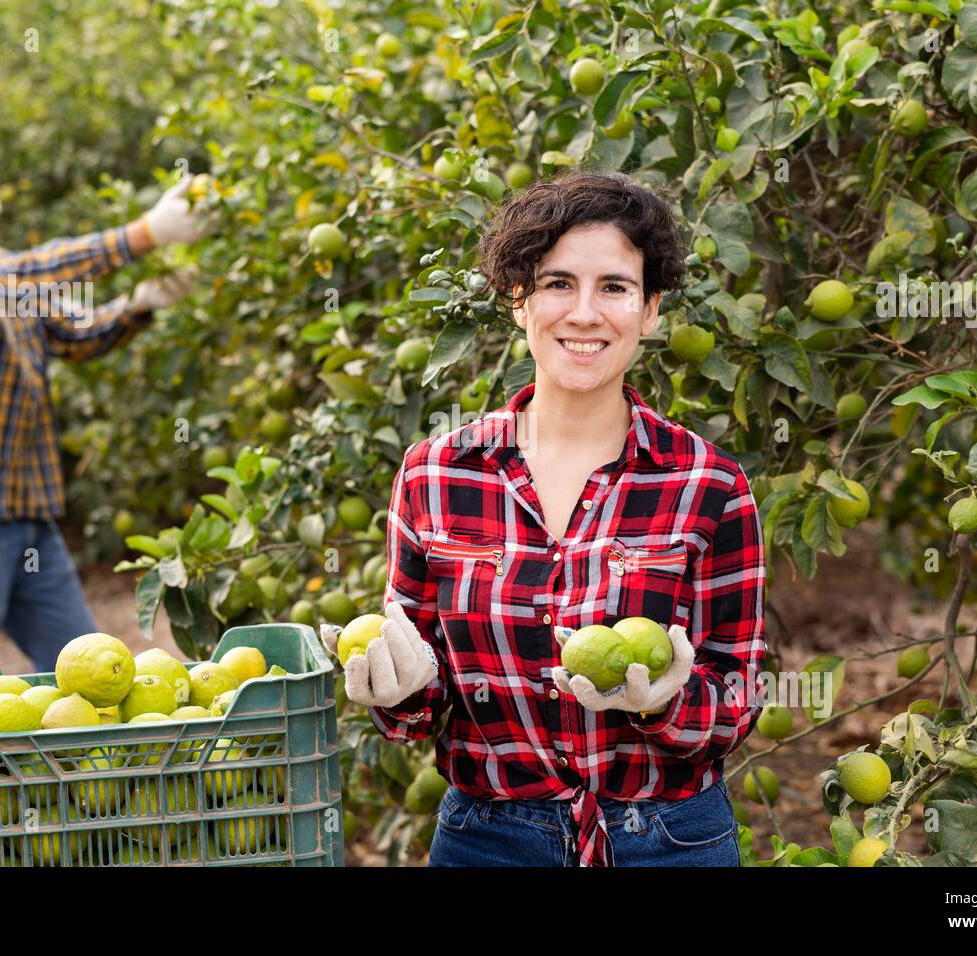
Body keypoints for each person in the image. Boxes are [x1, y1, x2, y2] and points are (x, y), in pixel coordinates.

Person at [322, 170, 766, 866]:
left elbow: (737, 695)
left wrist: (663, 704)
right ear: (518, 303)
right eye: (558, 283)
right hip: (488, 839)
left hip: (669, 838)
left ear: (650, 311)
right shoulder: (437, 475)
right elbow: (420, 699)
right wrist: (396, 690)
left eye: (614, 287)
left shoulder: (708, 485)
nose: (585, 313)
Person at [0, 108, 210, 671]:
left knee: (91, 680)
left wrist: (142, 304)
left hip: (28, 514)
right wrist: (143, 235)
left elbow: (76, 333)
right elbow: (18, 278)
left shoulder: (5, 266)